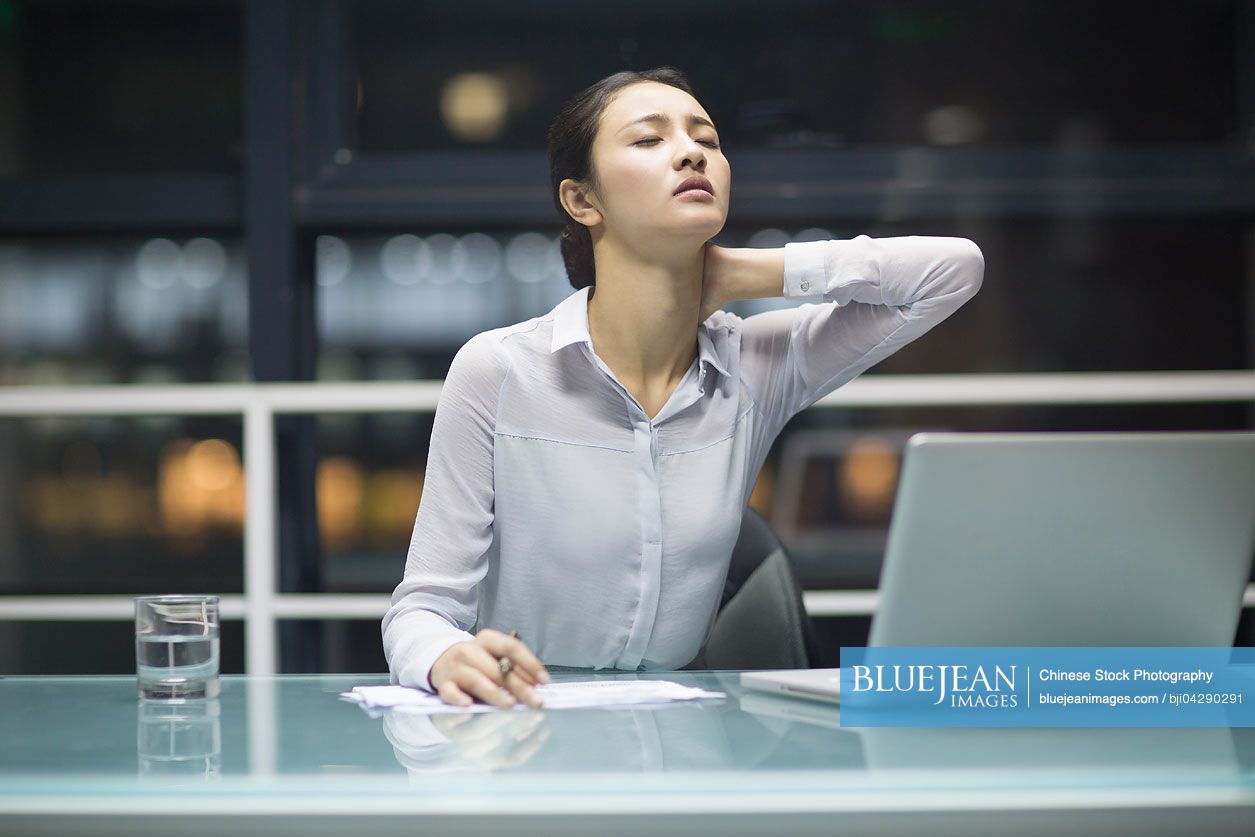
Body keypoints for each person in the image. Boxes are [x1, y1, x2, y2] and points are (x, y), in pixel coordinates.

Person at [382, 66, 984, 709]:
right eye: (648, 140)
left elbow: (952, 272)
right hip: (522, 725)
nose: (693, 151)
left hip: (682, 729)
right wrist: (445, 655)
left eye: (709, 140)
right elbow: (420, 610)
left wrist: (752, 271)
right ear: (583, 201)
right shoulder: (499, 371)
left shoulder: (756, 364)